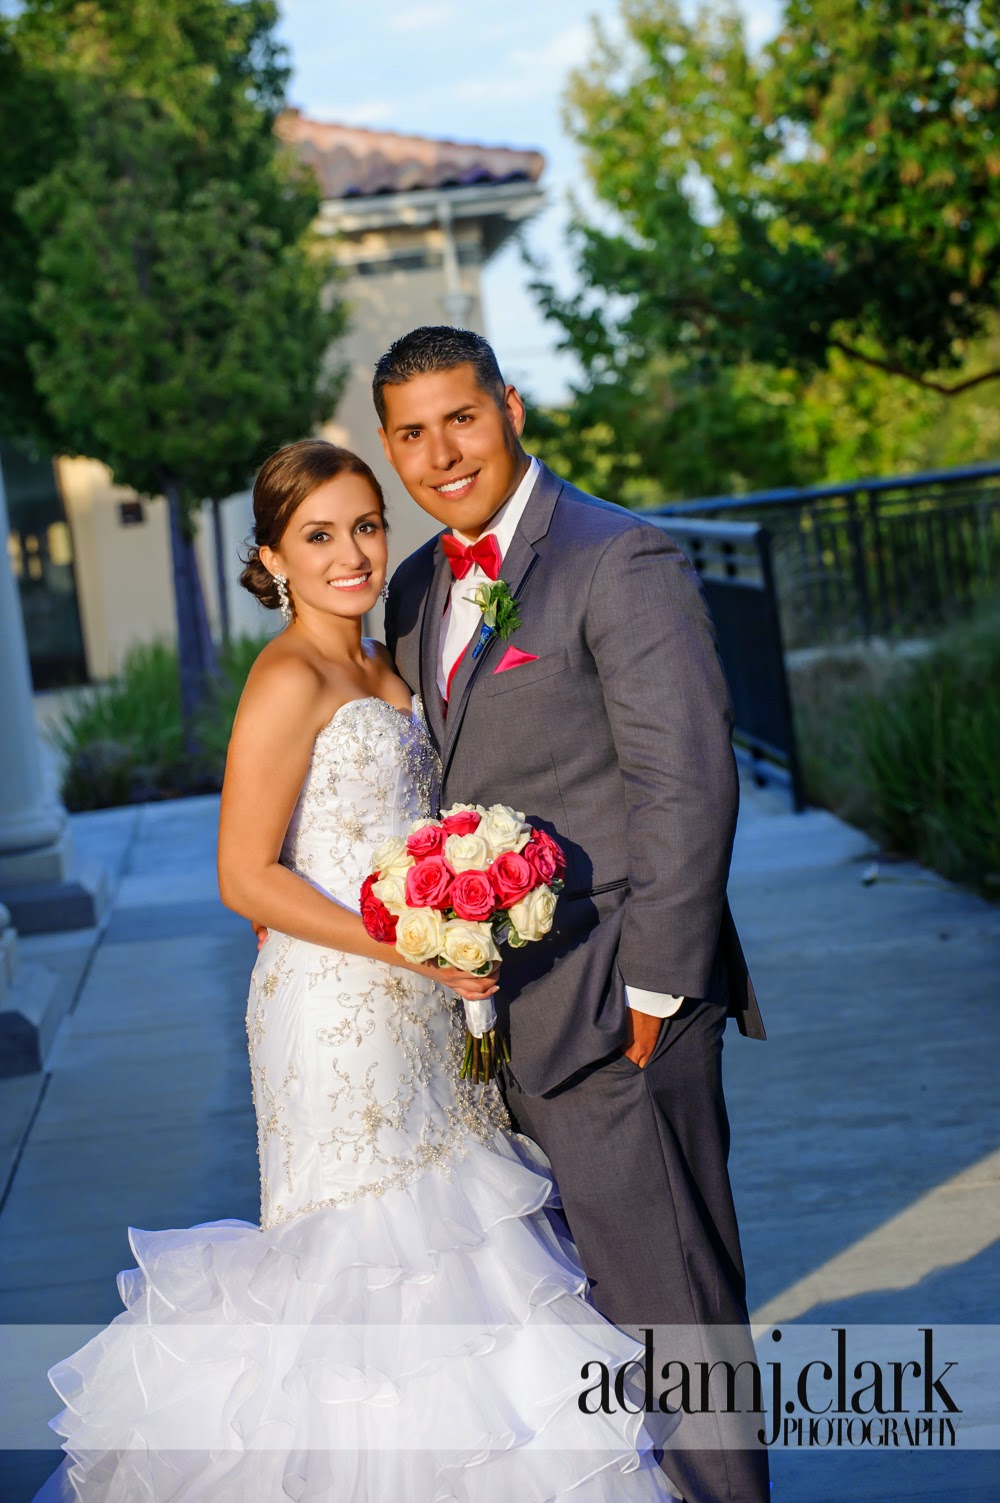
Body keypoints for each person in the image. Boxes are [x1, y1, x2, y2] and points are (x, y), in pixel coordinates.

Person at [31, 440, 682, 1502]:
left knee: (466, 1243)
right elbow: (244, 874)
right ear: (272, 558)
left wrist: (463, 922)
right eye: (319, 536)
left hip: (430, 1004)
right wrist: (411, 950)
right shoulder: (287, 674)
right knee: (376, 1257)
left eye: (366, 526)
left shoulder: (392, 658)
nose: (352, 553)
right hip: (338, 1014)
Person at [378, 327, 770, 1503]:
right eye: (411, 432)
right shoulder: (413, 587)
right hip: (499, 1032)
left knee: (676, 1318)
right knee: (585, 1336)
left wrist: (653, 991)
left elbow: (688, 781)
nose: (442, 452)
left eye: (463, 417)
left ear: (512, 408)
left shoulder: (617, 554)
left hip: (618, 1012)